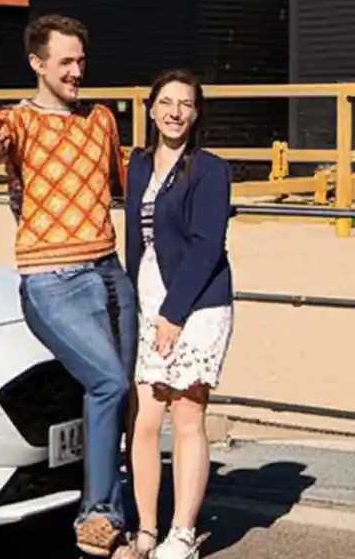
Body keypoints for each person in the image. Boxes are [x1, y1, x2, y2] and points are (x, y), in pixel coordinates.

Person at [0, 14, 137, 557]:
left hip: (110, 271)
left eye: (81, 61)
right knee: (107, 384)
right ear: (37, 64)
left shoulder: (101, 119)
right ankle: (96, 515)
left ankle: (114, 519)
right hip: (52, 281)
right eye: (66, 62)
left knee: (118, 397)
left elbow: (129, 185)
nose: (77, 71)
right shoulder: (18, 121)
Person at [122, 69, 234, 559]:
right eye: (166, 102)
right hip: (147, 297)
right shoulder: (137, 165)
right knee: (144, 419)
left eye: (185, 104)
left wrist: (174, 314)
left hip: (198, 302)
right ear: (151, 109)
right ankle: (146, 528)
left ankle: (183, 532)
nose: (175, 112)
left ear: (196, 113)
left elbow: (208, 246)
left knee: (188, 414)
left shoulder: (210, 170)